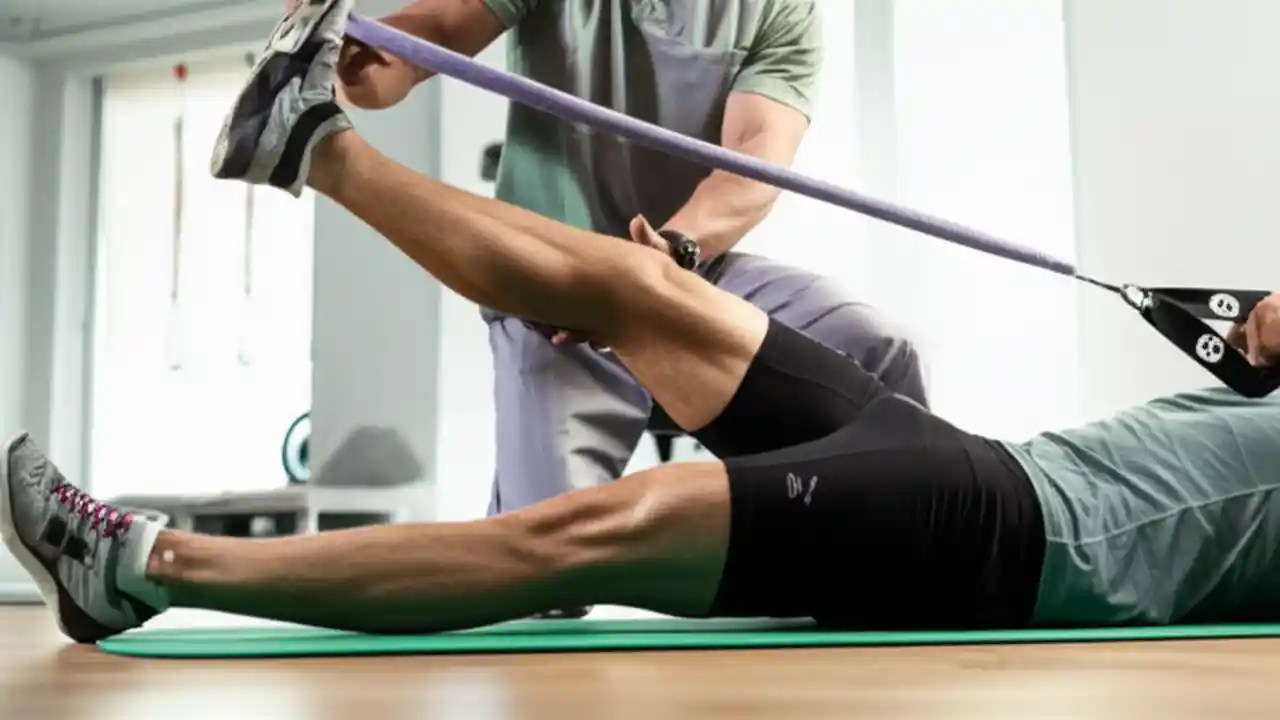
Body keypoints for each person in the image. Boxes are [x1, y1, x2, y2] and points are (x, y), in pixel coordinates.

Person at [6, 2, 1280, 643]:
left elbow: (756, 159)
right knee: (641, 293)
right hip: (997, 473)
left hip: (1011, 548)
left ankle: (141, 573)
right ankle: (308, 147)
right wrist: (354, 44)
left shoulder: (777, 12)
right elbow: (415, 40)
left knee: (584, 539)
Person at [298, 0, 928, 541]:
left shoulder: (781, 8)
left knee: (878, 348)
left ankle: (913, 550)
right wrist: (362, 55)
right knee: (544, 567)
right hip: (553, 292)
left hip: (688, 274)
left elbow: (754, 165)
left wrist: (670, 256)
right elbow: (431, 31)